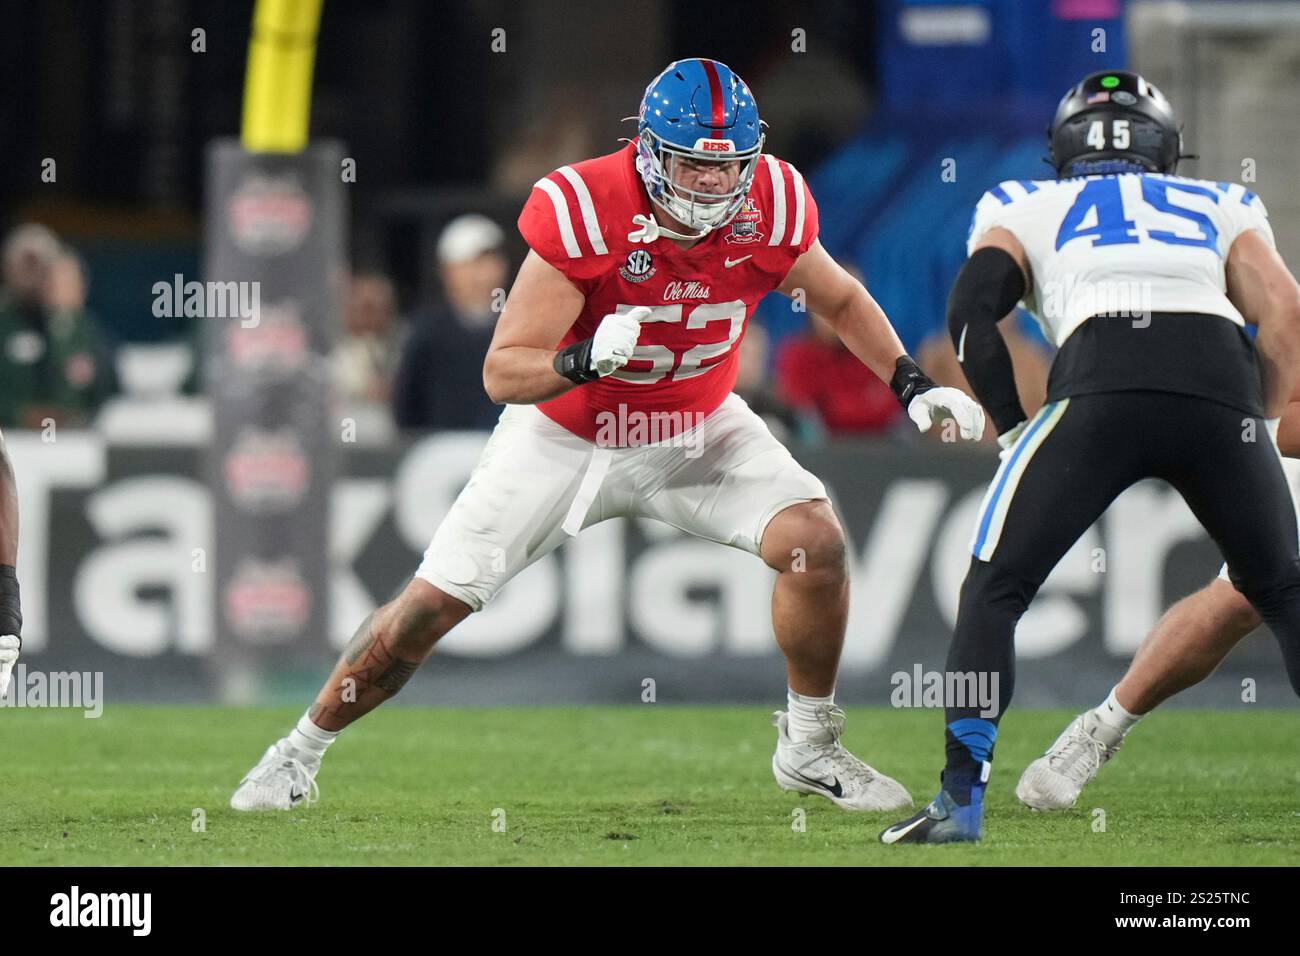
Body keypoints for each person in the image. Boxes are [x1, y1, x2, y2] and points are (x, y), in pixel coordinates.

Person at [231, 58, 984, 813]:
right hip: (570, 433)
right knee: (428, 608)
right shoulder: (587, 203)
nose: (716, 188)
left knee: (816, 545)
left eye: (730, 170)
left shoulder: (776, 200)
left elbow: (842, 298)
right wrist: (583, 357)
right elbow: (503, 372)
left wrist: (912, 386)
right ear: (651, 152)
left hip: (698, 424)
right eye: (694, 166)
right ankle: (297, 751)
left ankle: (810, 745)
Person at [882, 69, 1300, 844]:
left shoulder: (1020, 203)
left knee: (994, 588)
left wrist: (1010, 427)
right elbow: (1283, 313)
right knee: (1283, 589)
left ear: (1064, 149)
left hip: (1101, 378)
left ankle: (960, 802)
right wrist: (1272, 422)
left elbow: (970, 311)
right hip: (1219, 384)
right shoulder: (1222, 202)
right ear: (1165, 148)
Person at [391, 214, 509, 430]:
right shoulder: (427, 331)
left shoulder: (518, 325)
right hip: (440, 449)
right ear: (448, 271)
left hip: (503, 448)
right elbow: (407, 403)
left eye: (489, 262)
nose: (481, 275)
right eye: (471, 264)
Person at [0, 227, 114, 428]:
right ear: (8, 267)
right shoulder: (5, 322)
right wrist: (20, 415)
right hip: (10, 439)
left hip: (72, 441)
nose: (32, 276)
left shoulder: (78, 326)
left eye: (40, 266)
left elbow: (106, 389)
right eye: (26, 265)